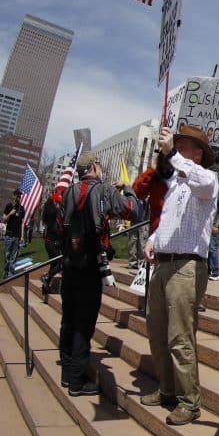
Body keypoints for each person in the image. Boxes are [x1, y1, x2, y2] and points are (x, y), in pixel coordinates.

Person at [140, 126, 217, 425]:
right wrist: (153, 239)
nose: (173, 147)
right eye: (175, 144)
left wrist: (172, 153)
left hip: (187, 267)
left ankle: (189, 401)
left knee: (180, 335)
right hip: (163, 263)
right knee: (156, 330)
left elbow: (200, 181)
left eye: (182, 145)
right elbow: (167, 221)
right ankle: (167, 389)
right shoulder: (174, 185)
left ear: (197, 153)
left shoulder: (208, 179)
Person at [59, 153, 141, 396]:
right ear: (94, 167)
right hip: (91, 262)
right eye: (100, 165)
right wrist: (128, 188)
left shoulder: (69, 192)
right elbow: (133, 210)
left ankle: (66, 371)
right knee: (84, 322)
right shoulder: (104, 190)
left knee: (69, 319)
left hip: (69, 262)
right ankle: (77, 381)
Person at [41, 188, 65, 295]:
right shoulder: (52, 213)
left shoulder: (49, 212)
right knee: (60, 264)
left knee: (54, 263)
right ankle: (47, 277)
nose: (59, 206)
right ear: (54, 202)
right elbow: (56, 230)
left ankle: (45, 286)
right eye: (58, 203)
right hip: (52, 242)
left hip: (49, 242)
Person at [2, 189, 25, 277]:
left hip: (17, 236)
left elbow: (22, 223)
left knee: (14, 257)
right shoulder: (9, 206)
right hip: (9, 235)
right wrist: (10, 214)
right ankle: (6, 272)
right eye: (17, 195)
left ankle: (11, 274)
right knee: (7, 255)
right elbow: (4, 220)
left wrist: (22, 236)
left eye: (19, 196)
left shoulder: (22, 208)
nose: (18, 197)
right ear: (13, 196)